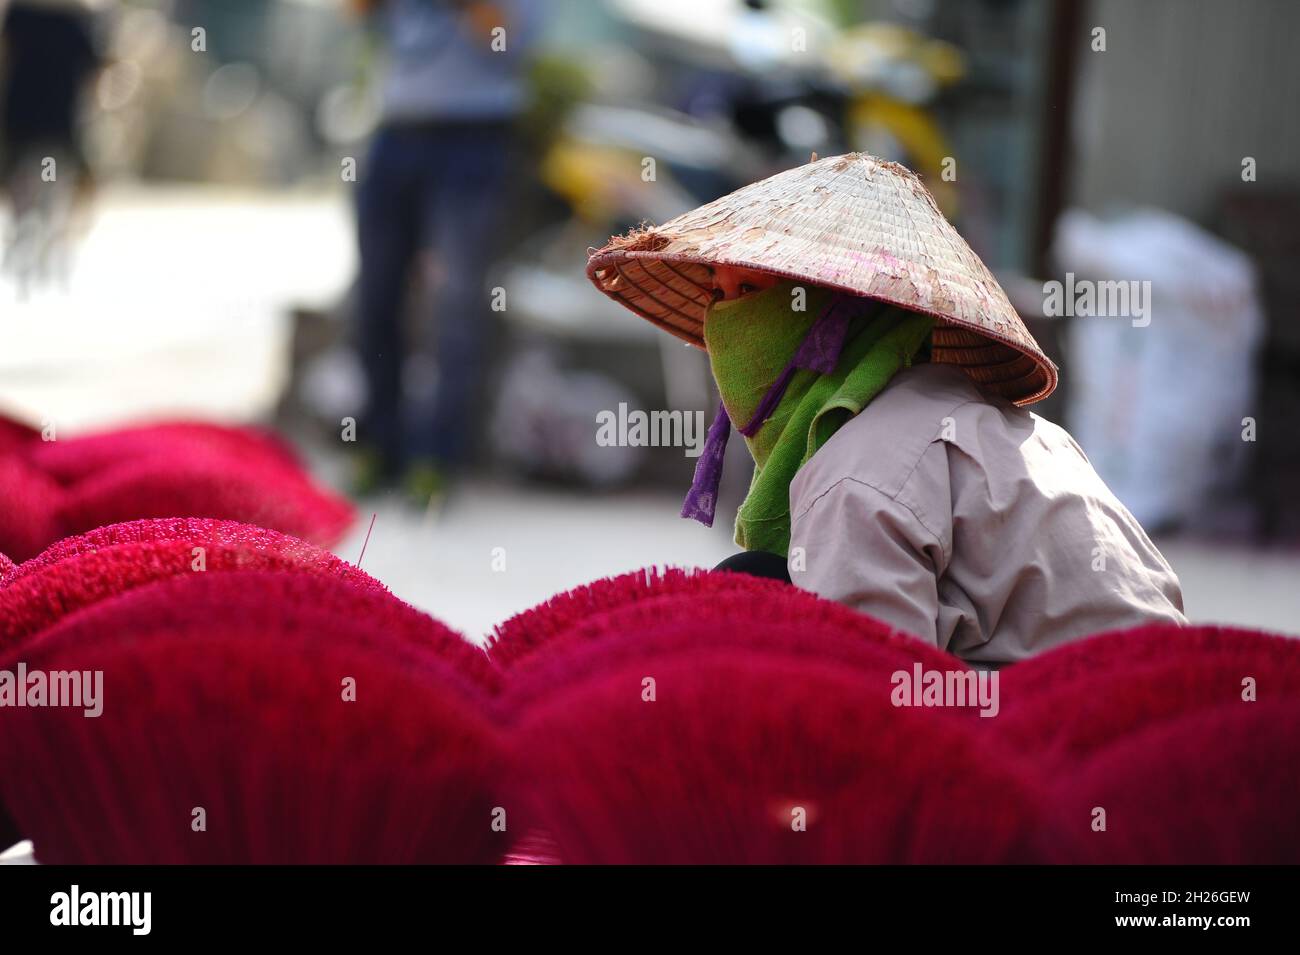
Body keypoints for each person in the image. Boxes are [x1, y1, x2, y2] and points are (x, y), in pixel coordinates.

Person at [586, 152, 1186, 666]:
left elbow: (878, 701)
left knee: (745, 598)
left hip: (1088, 733)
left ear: (833, 315)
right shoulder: (1010, 428)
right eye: (721, 293)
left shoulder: (857, 472)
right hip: (1149, 688)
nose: (726, 324)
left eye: (752, 292)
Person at [347, 0, 538, 499]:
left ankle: (439, 457)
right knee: (374, 293)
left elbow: (509, 42)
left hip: (474, 137)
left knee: (456, 301)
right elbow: (355, 12)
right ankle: (378, 445)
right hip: (395, 132)